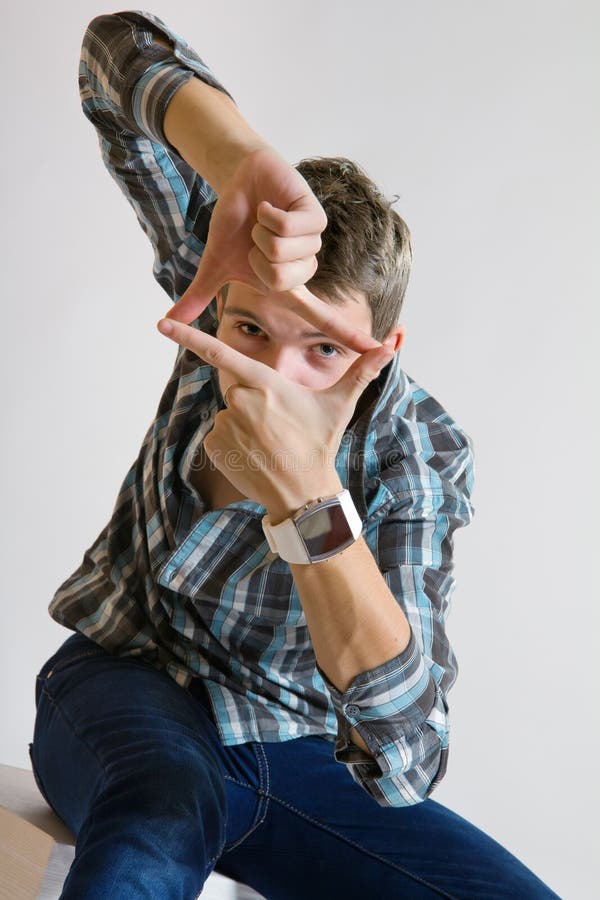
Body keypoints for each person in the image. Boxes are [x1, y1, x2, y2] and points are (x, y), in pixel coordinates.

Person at [29, 11, 558, 899]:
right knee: (157, 827)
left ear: (382, 353)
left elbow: (405, 761)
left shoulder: (415, 449)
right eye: (250, 330)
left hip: (294, 750)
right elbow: (113, 52)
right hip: (128, 685)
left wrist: (310, 504)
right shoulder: (214, 283)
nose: (270, 377)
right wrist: (238, 161)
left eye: (323, 350)